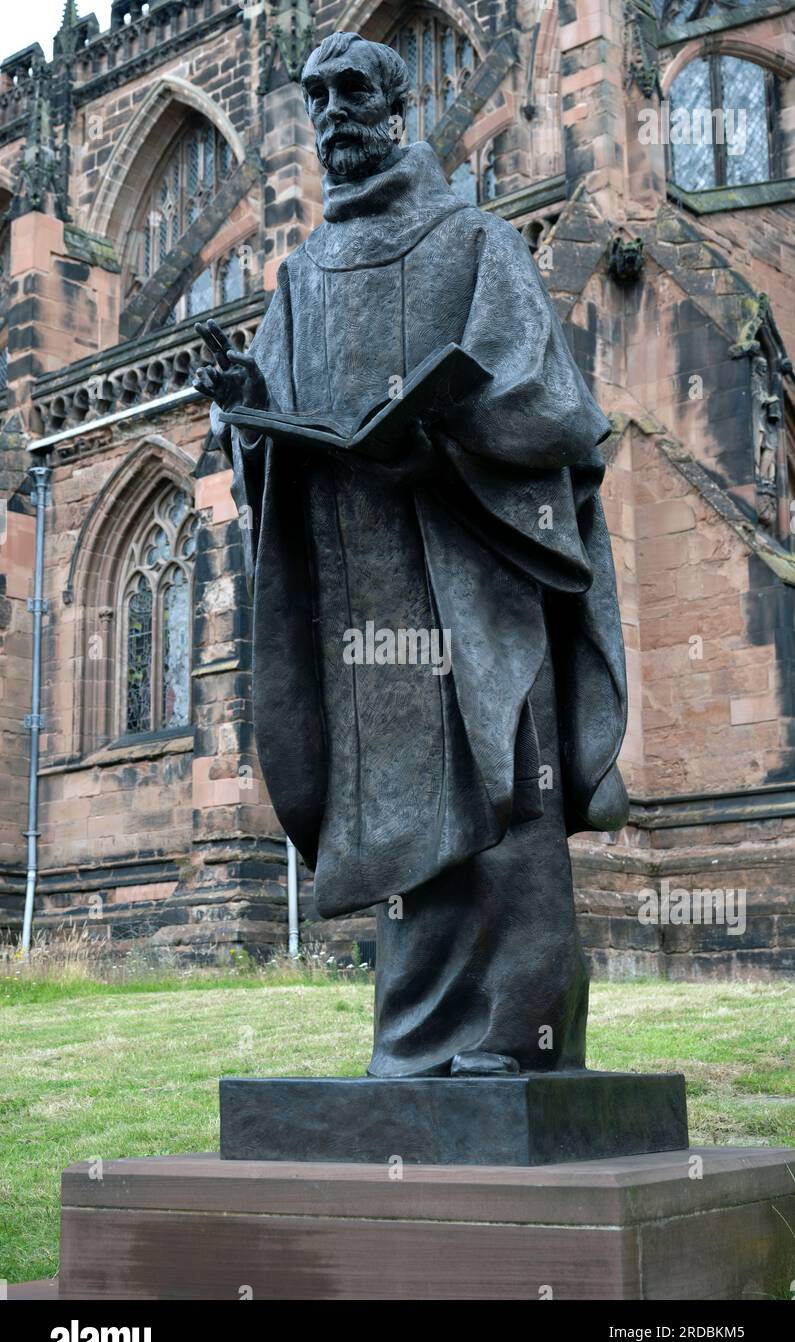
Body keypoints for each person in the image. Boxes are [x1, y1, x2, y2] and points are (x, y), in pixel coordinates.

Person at [196, 31, 629, 1078]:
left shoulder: (478, 241)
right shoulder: (299, 278)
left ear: (397, 107)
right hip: (366, 584)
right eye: (316, 98)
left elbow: (558, 405)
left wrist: (453, 425)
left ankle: (516, 1037)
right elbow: (281, 439)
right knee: (397, 806)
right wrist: (250, 409)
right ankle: (419, 1042)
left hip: (475, 558)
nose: (333, 115)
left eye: (353, 93)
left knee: (505, 791)